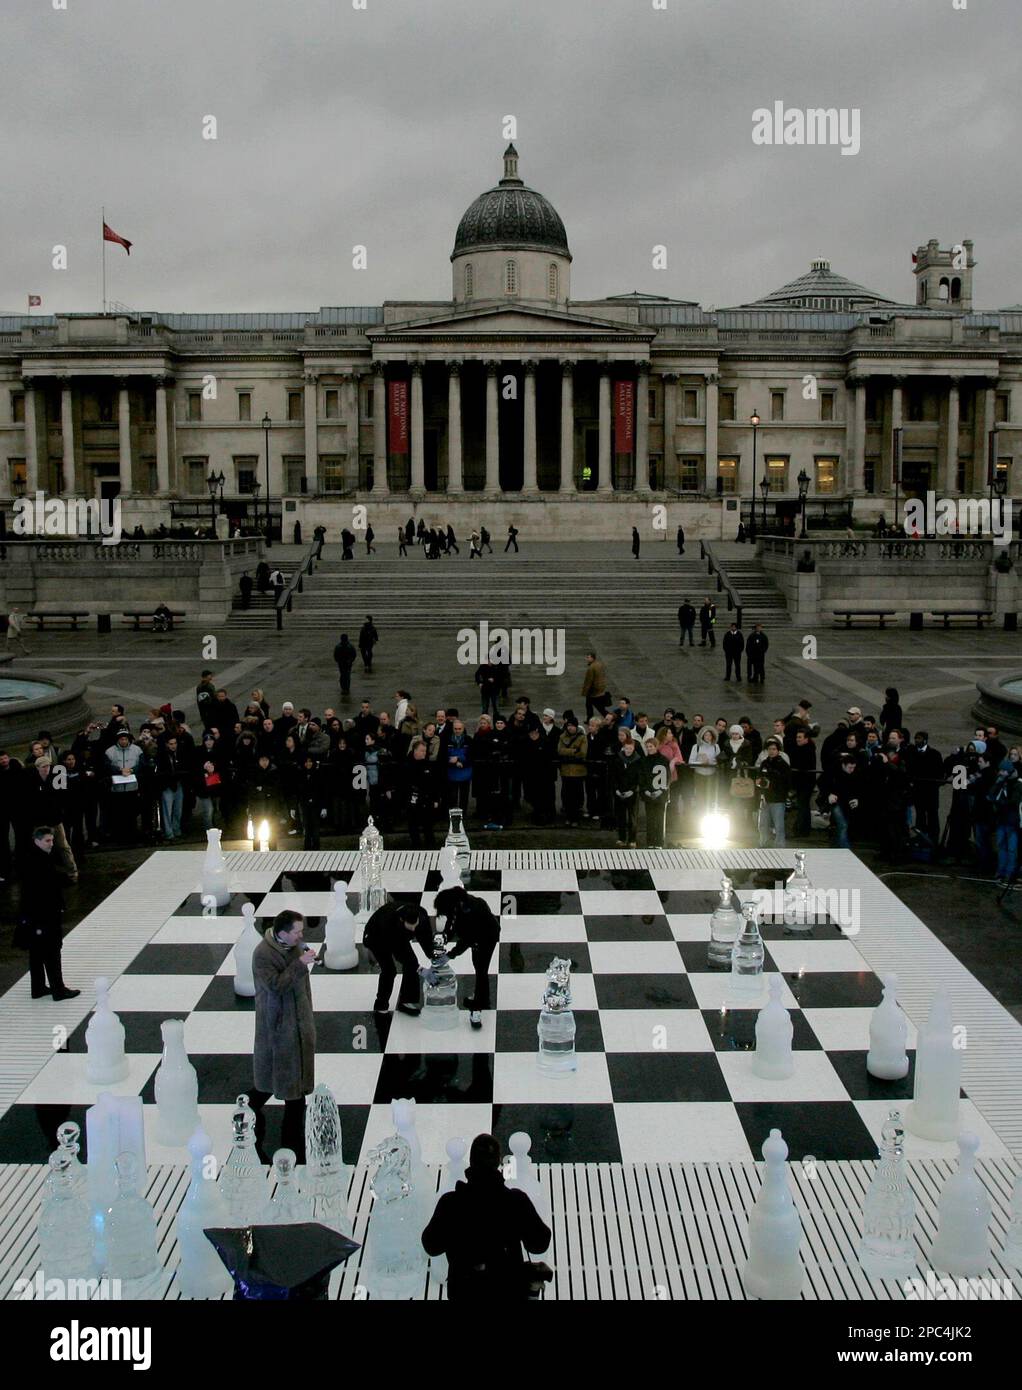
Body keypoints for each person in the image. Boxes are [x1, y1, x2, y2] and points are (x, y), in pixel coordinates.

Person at [421, 1133, 552, 1302]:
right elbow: (539, 1244)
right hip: (508, 1291)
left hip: (464, 1291)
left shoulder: (450, 1203)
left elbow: (431, 1245)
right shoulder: (515, 1201)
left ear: (471, 1162)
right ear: (498, 1162)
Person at [251, 909, 316, 1163]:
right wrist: (300, 964)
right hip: (279, 1029)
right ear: (282, 933)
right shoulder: (262, 955)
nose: (302, 936)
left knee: (290, 1086)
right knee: (286, 1087)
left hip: (298, 1023)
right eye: (297, 931)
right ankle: (293, 1149)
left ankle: (292, 1142)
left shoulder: (294, 946)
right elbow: (275, 986)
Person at [434, 883, 500, 1026]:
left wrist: (449, 955)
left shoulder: (473, 910)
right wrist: (445, 935)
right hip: (478, 936)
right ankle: (483, 998)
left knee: (481, 968)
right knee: (479, 967)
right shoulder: (458, 904)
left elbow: (467, 940)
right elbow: (452, 920)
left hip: (487, 937)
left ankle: (477, 1007)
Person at [363, 899, 434, 1015]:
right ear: (402, 920)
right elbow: (396, 949)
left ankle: (407, 1001)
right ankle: (380, 1005)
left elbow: (426, 940)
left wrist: (434, 958)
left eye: (415, 926)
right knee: (390, 970)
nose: (413, 930)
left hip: (399, 935)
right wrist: (423, 971)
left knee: (411, 963)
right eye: (410, 927)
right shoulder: (388, 922)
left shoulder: (422, 917)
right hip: (376, 936)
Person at [756, 739, 790, 848]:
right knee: (763, 824)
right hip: (765, 798)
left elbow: (786, 782)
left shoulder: (783, 765)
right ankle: (763, 844)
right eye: (769, 749)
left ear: (778, 751)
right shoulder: (764, 763)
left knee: (778, 826)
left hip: (778, 799)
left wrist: (770, 784)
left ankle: (780, 847)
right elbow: (759, 777)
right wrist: (760, 783)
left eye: (774, 749)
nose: (771, 751)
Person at [556, 712, 587, 827]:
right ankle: (569, 817)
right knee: (567, 795)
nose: (570, 727)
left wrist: (568, 752)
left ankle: (575, 818)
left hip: (578, 772)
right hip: (566, 771)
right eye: (568, 725)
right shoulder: (562, 736)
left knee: (577, 796)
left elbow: (583, 753)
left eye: (572, 725)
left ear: (576, 726)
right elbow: (560, 751)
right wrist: (573, 751)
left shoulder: (582, 737)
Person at [581, 651, 611, 720]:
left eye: (588, 657)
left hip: (593, 691)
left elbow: (588, 681)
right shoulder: (599, 665)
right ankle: (589, 718)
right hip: (599, 689)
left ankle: (609, 717)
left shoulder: (591, 668)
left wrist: (585, 692)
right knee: (589, 705)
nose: (587, 659)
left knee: (598, 707)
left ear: (592, 658)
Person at [333, 632, 357, 696]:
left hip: (343, 663)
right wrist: (351, 660)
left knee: (343, 675)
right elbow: (354, 654)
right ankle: (346, 687)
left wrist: (338, 660)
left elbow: (335, 655)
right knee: (346, 675)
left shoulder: (338, 646)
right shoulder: (350, 646)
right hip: (346, 663)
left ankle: (344, 687)